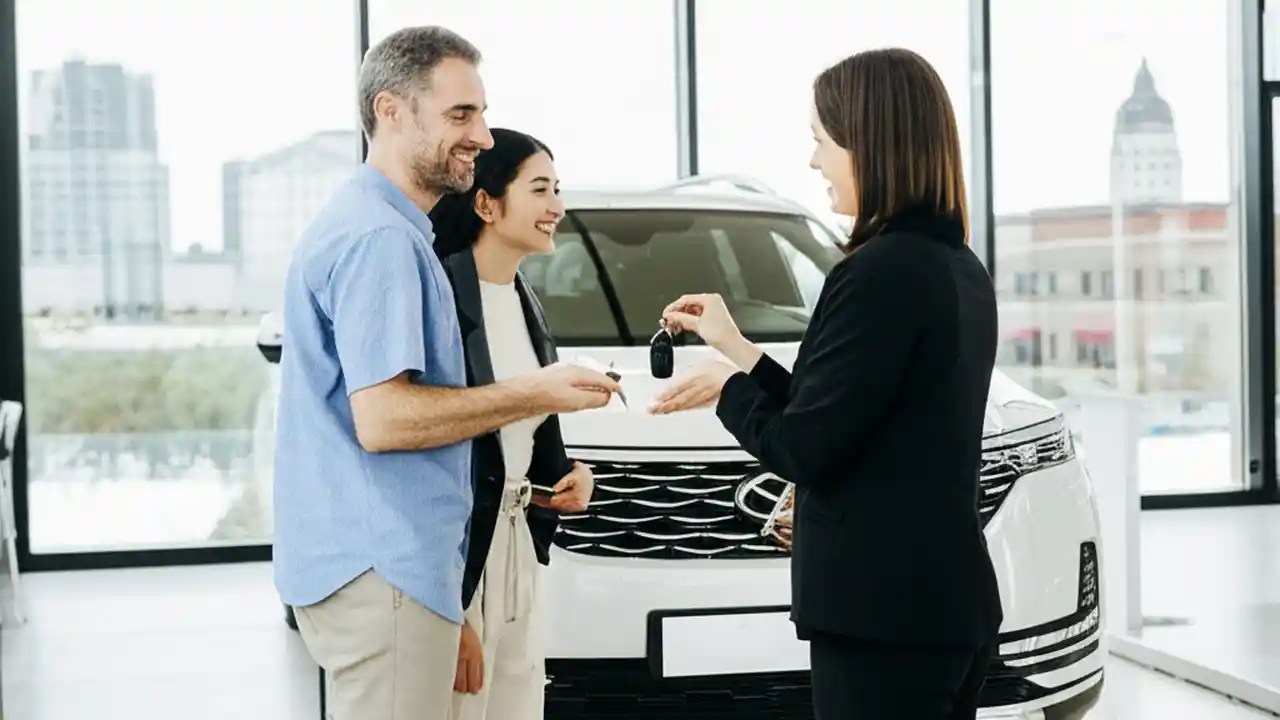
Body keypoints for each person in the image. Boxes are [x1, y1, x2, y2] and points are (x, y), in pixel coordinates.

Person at [272, 27, 619, 720]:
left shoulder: (390, 228)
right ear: (391, 111)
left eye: (482, 114)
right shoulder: (383, 240)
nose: (484, 137)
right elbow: (385, 419)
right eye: (462, 115)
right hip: (385, 571)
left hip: (388, 567)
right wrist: (533, 392)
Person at [650, 48, 1003, 719]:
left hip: (882, 620)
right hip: (943, 607)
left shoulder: (877, 273)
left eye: (821, 139)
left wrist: (727, 390)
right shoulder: (954, 266)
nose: (814, 161)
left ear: (868, 140)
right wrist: (740, 353)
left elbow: (804, 448)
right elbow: (856, 414)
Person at [428, 128, 588, 720]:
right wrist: (449, 613)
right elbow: (424, 459)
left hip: (518, 549)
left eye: (557, 190)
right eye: (540, 189)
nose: (557, 208)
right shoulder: (441, 296)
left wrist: (566, 476)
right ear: (486, 204)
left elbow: (521, 425)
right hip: (460, 561)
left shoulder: (521, 296)